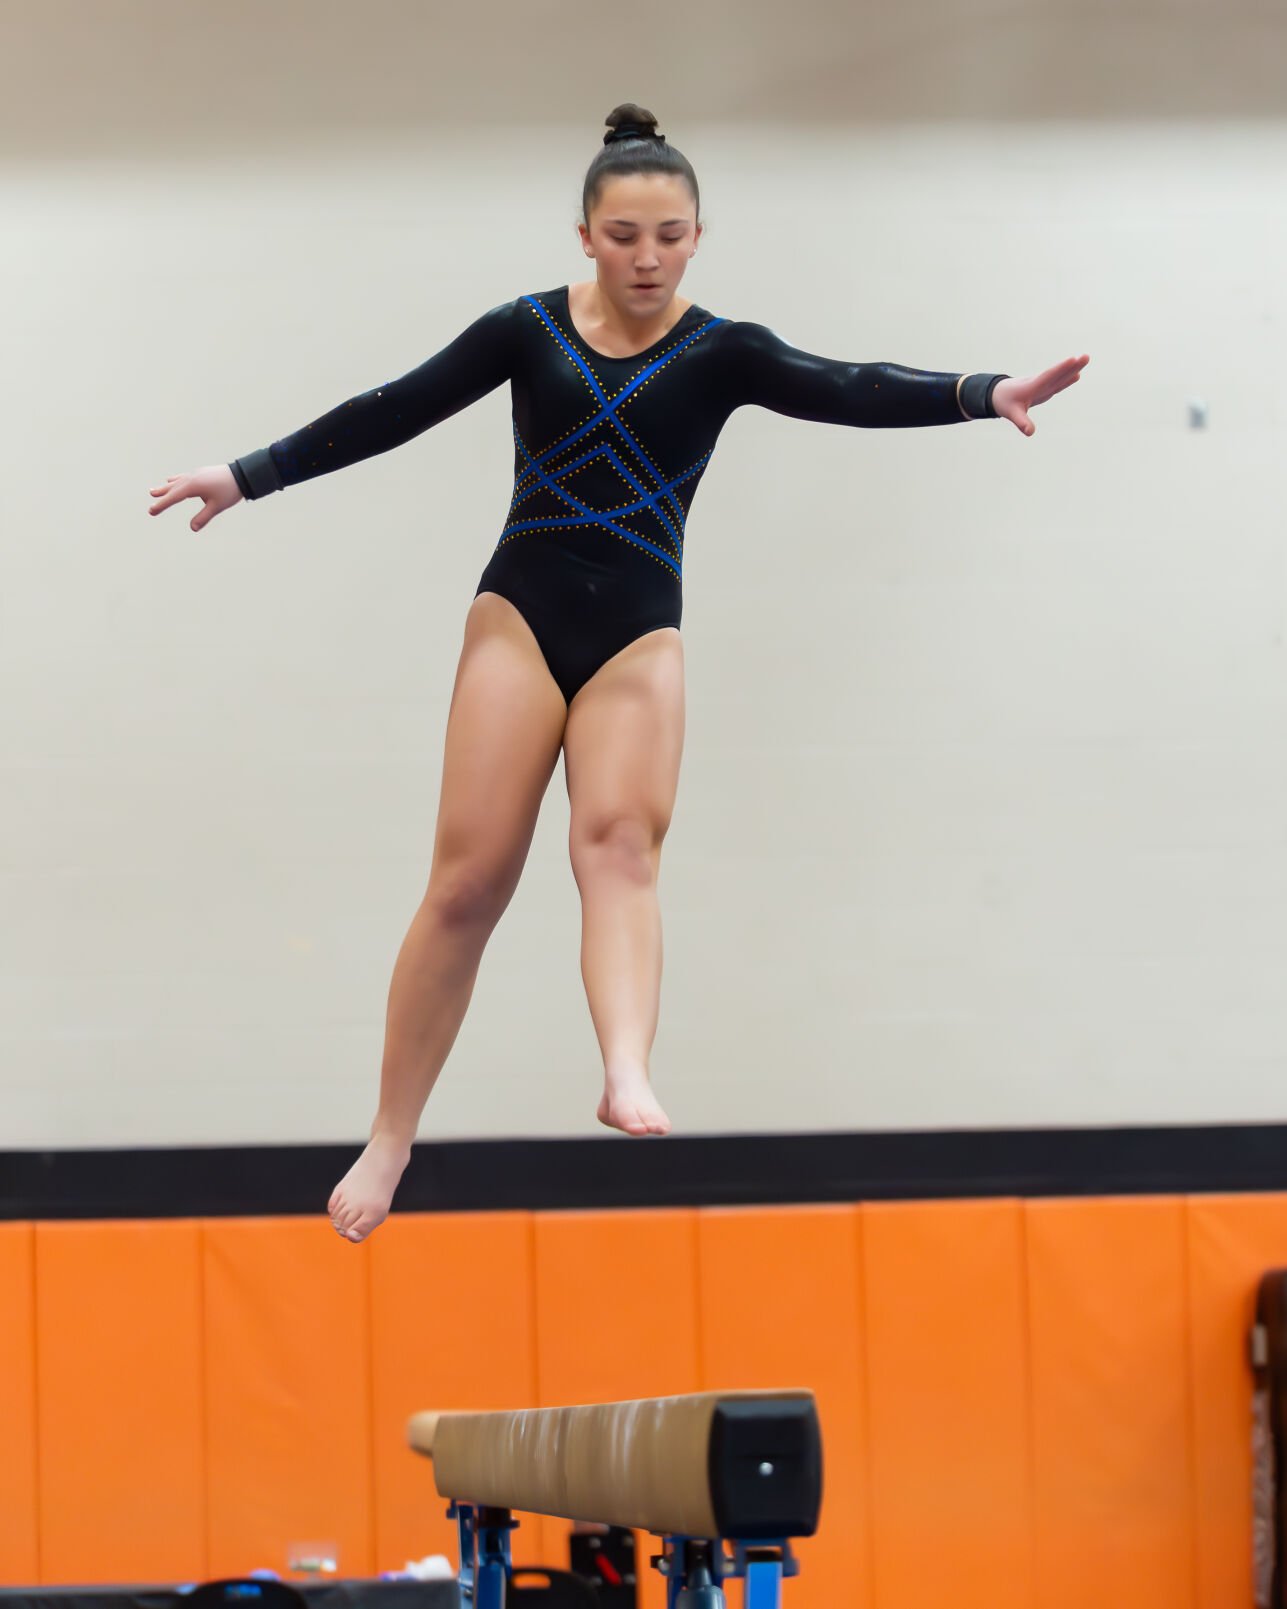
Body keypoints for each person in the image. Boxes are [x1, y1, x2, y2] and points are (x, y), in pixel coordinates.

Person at [147, 101, 1089, 1244]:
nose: (649, 257)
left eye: (671, 235)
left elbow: (846, 383)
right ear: (585, 235)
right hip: (520, 617)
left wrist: (982, 393)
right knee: (466, 884)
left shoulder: (723, 352)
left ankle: (626, 1067)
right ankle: (392, 1134)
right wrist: (249, 474)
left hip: (641, 631)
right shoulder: (526, 331)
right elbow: (391, 410)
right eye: (627, 235)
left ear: (699, 236)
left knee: (620, 847)